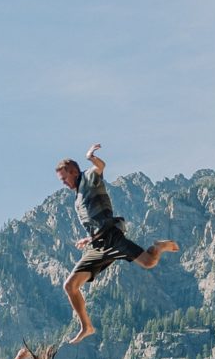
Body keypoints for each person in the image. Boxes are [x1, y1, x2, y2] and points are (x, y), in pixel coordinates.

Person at [56, 142, 179, 342]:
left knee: (149, 262)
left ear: (74, 172)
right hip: (98, 246)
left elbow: (100, 167)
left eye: (64, 178)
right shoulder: (77, 196)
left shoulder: (88, 178)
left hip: (113, 238)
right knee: (70, 286)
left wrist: (91, 157)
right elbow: (95, 221)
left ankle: (159, 246)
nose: (63, 183)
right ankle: (86, 326)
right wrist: (89, 238)